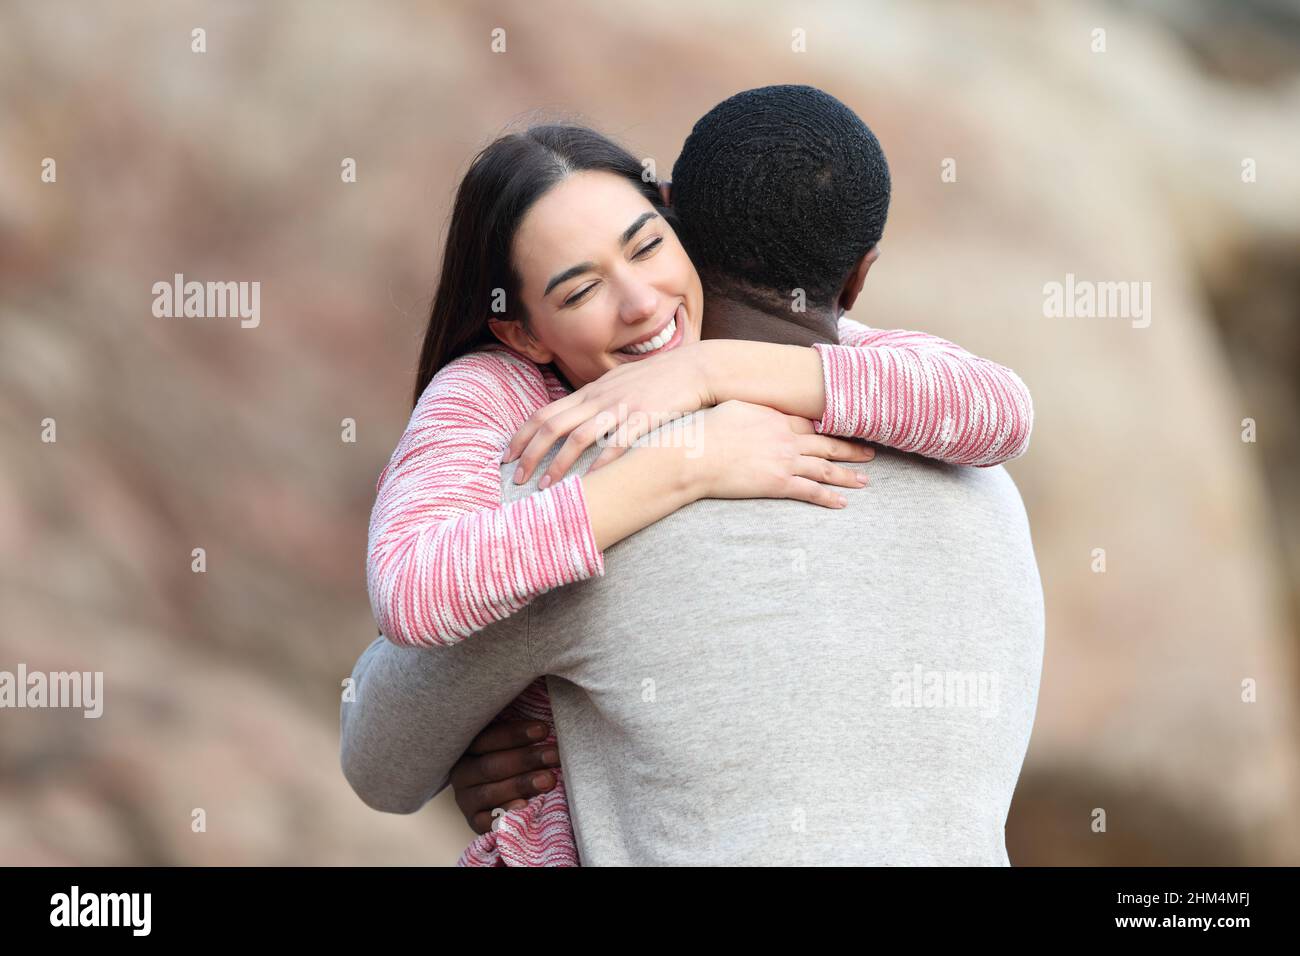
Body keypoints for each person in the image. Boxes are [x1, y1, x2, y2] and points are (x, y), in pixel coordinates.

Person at [346, 85, 1041, 866]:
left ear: (679, 221)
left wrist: (711, 372)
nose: (641, 305)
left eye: (645, 247)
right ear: (521, 330)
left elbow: (379, 756)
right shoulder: (984, 493)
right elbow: (415, 587)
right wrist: (689, 463)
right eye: (578, 289)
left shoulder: (886, 388)